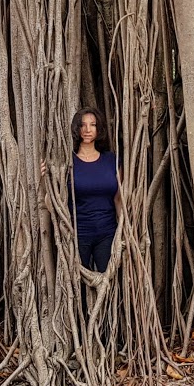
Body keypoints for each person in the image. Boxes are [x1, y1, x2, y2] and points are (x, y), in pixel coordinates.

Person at [70, 107, 119, 272]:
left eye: (93, 125)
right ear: (77, 128)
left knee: (108, 281)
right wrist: (44, 179)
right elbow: (53, 200)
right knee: (77, 285)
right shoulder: (69, 163)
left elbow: (119, 199)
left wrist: (124, 229)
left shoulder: (111, 160)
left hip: (108, 232)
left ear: (99, 129)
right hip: (78, 233)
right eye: (83, 125)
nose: (87, 129)